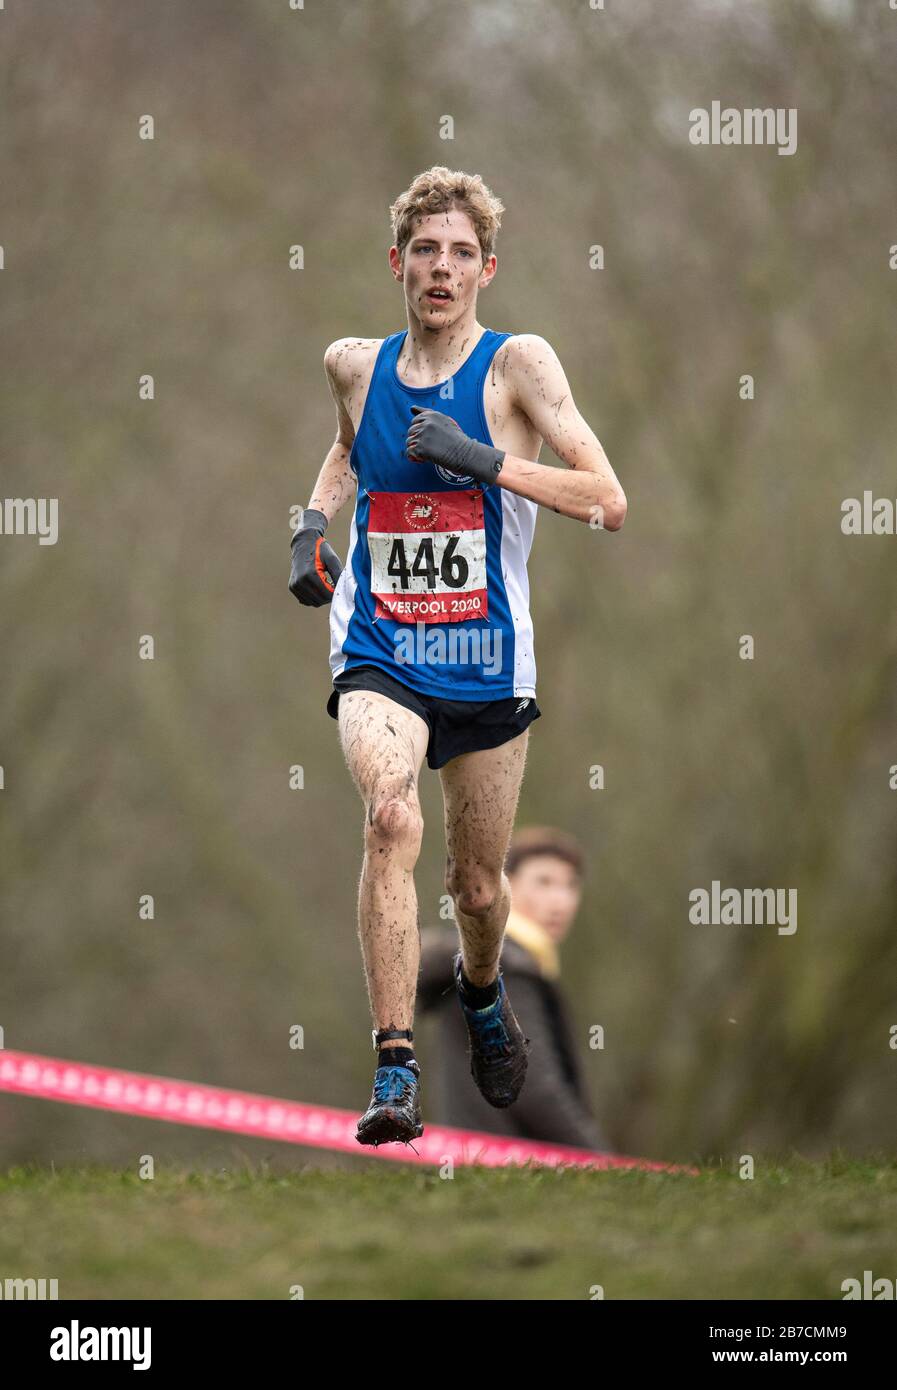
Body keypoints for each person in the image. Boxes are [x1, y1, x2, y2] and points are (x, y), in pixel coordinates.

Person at [288, 166, 626, 1146]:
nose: (442, 268)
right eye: (425, 251)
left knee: (476, 888)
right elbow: (347, 449)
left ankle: (482, 992)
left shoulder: (519, 367)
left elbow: (607, 497)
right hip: (382, 647)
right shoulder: (354, 363)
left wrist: (484, 462)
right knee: (389, 815)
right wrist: (311, 523)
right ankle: (394, 1063)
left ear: (488, 270)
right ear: (398, 264)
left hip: (484, 658)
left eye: (461, 254)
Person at [418, 826, 610, 1152]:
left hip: (479, 1163)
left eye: (570, 885)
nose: (560, 901)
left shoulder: (502, 961)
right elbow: (537, 1091)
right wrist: (601, 1161)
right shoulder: (508, 967)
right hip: (511, 1167)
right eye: (544, 882)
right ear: (504, 885)